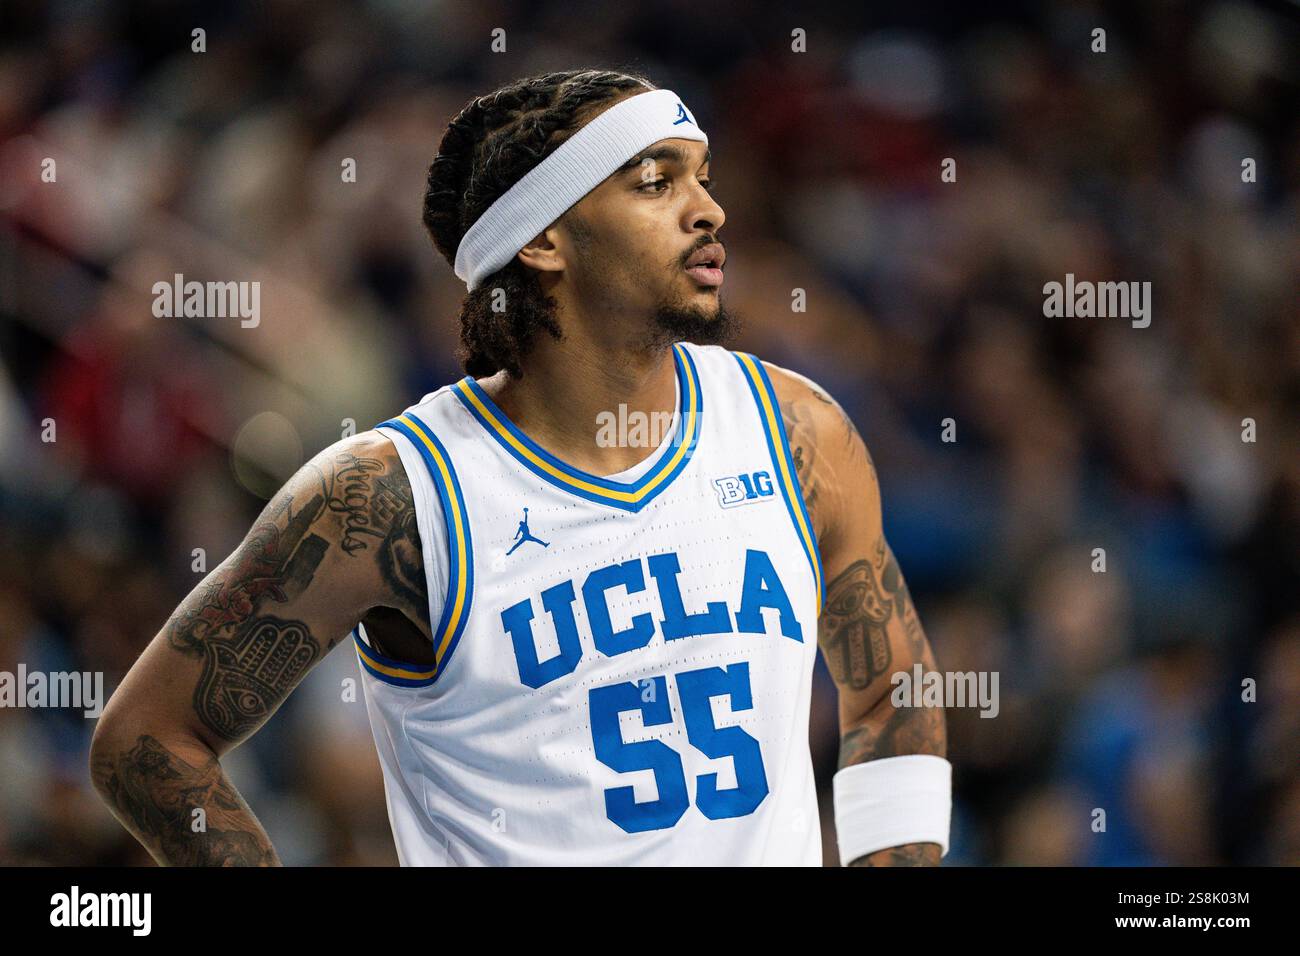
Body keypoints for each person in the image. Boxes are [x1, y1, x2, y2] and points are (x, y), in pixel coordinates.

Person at [90, 68, 949, 866]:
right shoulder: (390, 497)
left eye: (704, 176)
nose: (709, 211)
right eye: (657, 182)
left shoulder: (797, 431)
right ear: (543, 239)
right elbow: (145, 739)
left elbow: (892, 692)